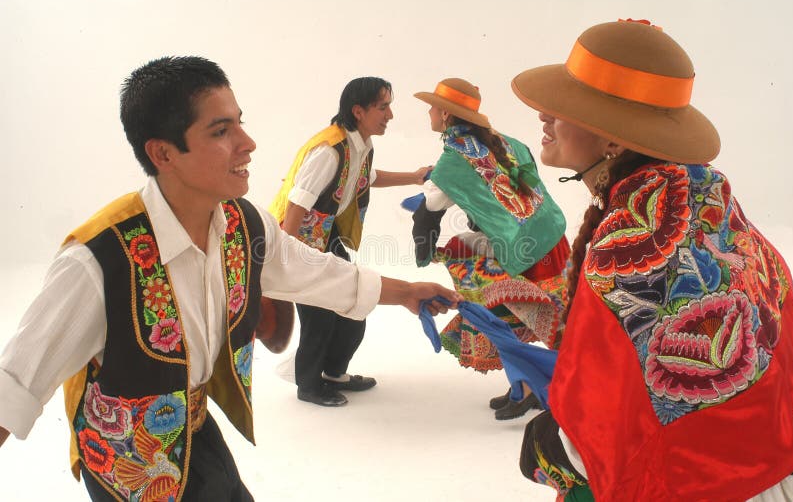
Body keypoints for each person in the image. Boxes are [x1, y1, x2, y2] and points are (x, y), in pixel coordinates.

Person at [0, 56, 460, 501]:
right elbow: (14, 387)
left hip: (196, 433)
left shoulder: (246, 225)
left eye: (240, 122)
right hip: (127, 471)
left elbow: (320, 273)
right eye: (221, 131)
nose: (248, 143)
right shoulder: (96, 261)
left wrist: (407, 293)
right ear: (163, 153)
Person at [510, 19, 793, 501]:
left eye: (562, 108)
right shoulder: (707, 203)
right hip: (771, 465)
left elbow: (604, 421)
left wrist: (557, 442)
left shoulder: (633, 248)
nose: (544, 115)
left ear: (613, 139)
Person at [411, 78, 569, 420]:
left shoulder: (453, 163)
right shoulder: (505, 141)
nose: (429, 111)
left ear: (447, 116)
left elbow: (427, 215)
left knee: (525, 322)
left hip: (521, 253)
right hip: (551, 237)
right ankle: (524, 385)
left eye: (434, 106)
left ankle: (574, 387)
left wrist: (422, 254)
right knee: (522, 320)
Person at [270, 77, 430, 407]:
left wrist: (413, 177)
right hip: (300, 241)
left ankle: (333, 373)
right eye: (383, 107)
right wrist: (289, 254)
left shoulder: (359, 146)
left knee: (355, 304)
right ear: (359, 111)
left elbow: (369, 178)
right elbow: (298, 201)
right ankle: (309, 385)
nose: (390, 115)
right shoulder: (329, 151)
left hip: (326, 237)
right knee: (320, 314)